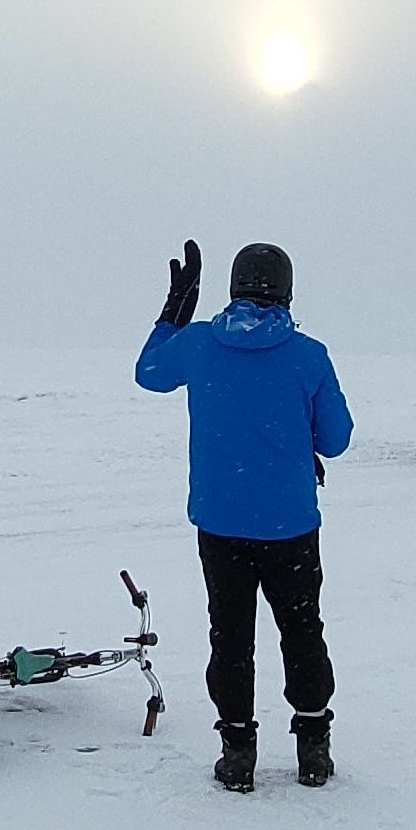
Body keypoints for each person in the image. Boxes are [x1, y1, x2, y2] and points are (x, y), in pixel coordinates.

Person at [134, 238, 353, 790]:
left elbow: (149, 372)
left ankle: (237, 753)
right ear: (287, 291)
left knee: (230, 638)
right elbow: (337, 440)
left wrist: (175, 310)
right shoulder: (309, 354)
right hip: (291, 527)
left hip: (221, 523)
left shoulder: (201, 343)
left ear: (232, 287)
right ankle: (313, 748)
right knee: (302, 631)